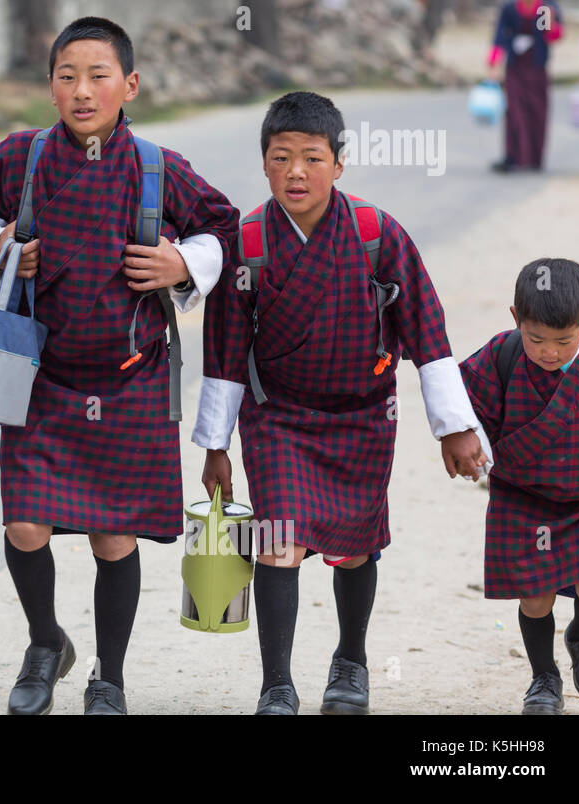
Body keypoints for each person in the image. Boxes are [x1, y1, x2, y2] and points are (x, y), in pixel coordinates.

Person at [0, 16, 238, 715]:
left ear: (129, 85)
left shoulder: (157, 167)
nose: (82, 91)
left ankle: (108, 676)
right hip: (41, 376)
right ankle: (46, 643)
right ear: (49, 85)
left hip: (130, 375)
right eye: (67, 76)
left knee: (114, 536)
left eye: (98, 76)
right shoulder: (22, 157)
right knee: (25, 525)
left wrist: (181, 262)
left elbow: (222, 227)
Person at [194, 90, 491, 715]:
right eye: (281, 158)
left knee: (356, 547)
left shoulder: (377, 235)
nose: (296, 172)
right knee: (279, 539)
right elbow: (222, 351)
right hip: (278, 415)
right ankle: (277, 682)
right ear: (265, 163)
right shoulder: (245, 241)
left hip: (363, 414)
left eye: (312, 157)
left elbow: (428, 335)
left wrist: (454, 428)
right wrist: (216, 445)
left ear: (340, 162)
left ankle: (350, 660)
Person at [458, 258, 579, 715]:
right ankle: (544, 678)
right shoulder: (502, 355)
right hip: (523, 496)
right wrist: (466, 443)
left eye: (564, 340)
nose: (549, 351)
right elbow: (462, 409)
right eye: (536, 339)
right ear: (516, 319)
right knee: (535, 597)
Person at [488, 0, 564, 172]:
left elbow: (553, 37)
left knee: (537, 113)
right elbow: (500, 36)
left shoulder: (545, 9)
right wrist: (494, 64)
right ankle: (513, 156)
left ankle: (534, 158)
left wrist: (551, 22)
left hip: (537, 68)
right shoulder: (510, 8)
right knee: (514, 111)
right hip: (516, 68)